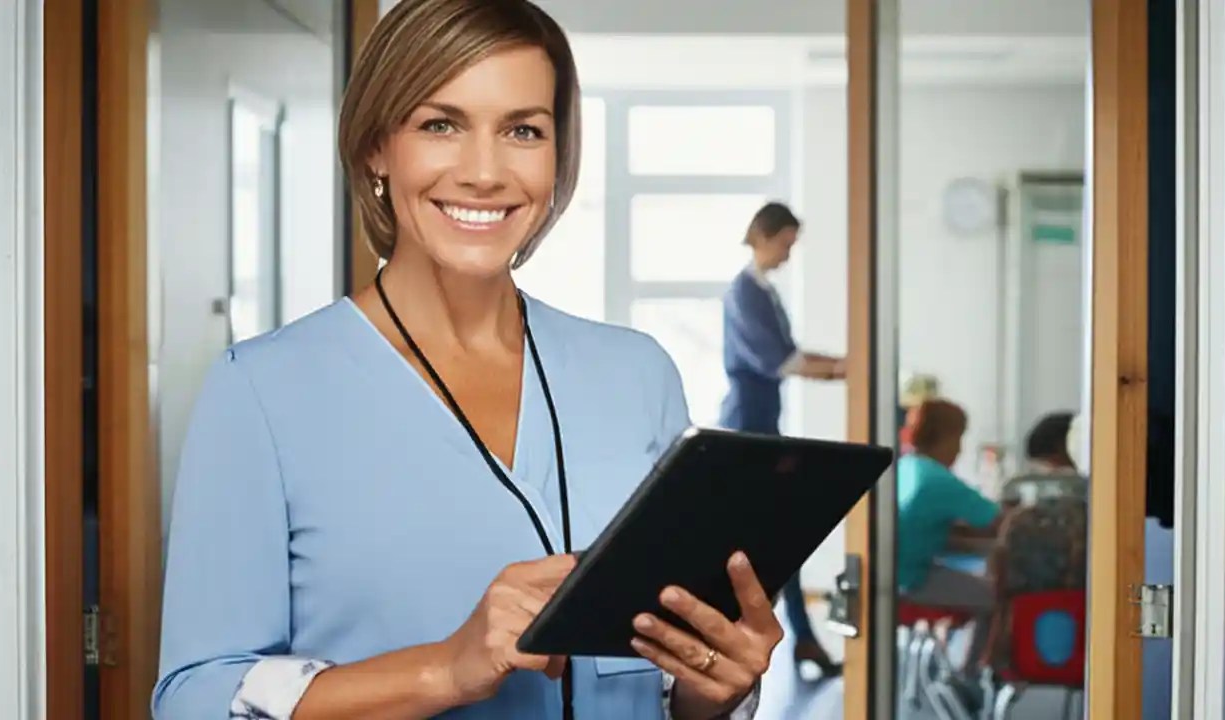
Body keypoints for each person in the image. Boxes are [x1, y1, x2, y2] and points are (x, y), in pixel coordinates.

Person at [152, 1, 781, 718]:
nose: (485, 173)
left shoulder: (639, 375)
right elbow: (195, 698)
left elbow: (663, 687)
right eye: (440, 124)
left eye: (523, 130)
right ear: (375, 149)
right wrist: (444, 672)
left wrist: (715, 685)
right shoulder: (262, 390)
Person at [717, 202, 846, 681]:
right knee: (763, 541)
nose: (789, 256)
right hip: (748, 429)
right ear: (768, 236)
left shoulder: (762, 292)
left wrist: (842, 364)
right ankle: (792, 641)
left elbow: (790, 355)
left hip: (763, 426)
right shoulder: (745, 292)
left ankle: (803, 640)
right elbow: (782, 362)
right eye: (787, 244)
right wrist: (844, 369)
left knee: (776, 538)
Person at [896, 399, 1001, 672]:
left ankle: (960, 665)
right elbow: (998, 521)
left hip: (897, 574)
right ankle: (969, 673)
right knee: (997, 596)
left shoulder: (908, 466)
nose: (959, 448)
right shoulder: (936, 478)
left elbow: (934, 530)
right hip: (912, 580)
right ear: (946, 437)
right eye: (959, 439)